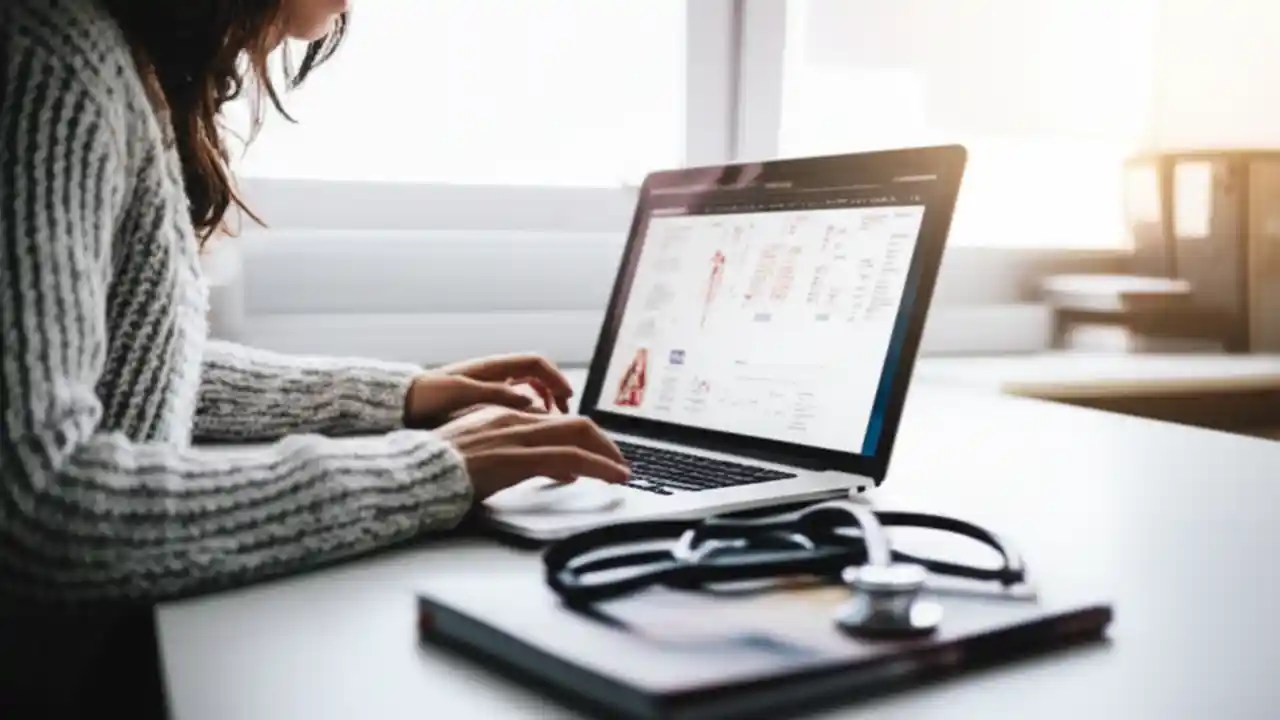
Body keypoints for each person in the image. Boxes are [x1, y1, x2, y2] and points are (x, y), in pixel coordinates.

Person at [0, 0, 630, 715]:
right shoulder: (54, 57)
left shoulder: (110, 60)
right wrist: (422, 472)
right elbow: (34, 503)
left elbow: (135, 366)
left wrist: (405, 395)